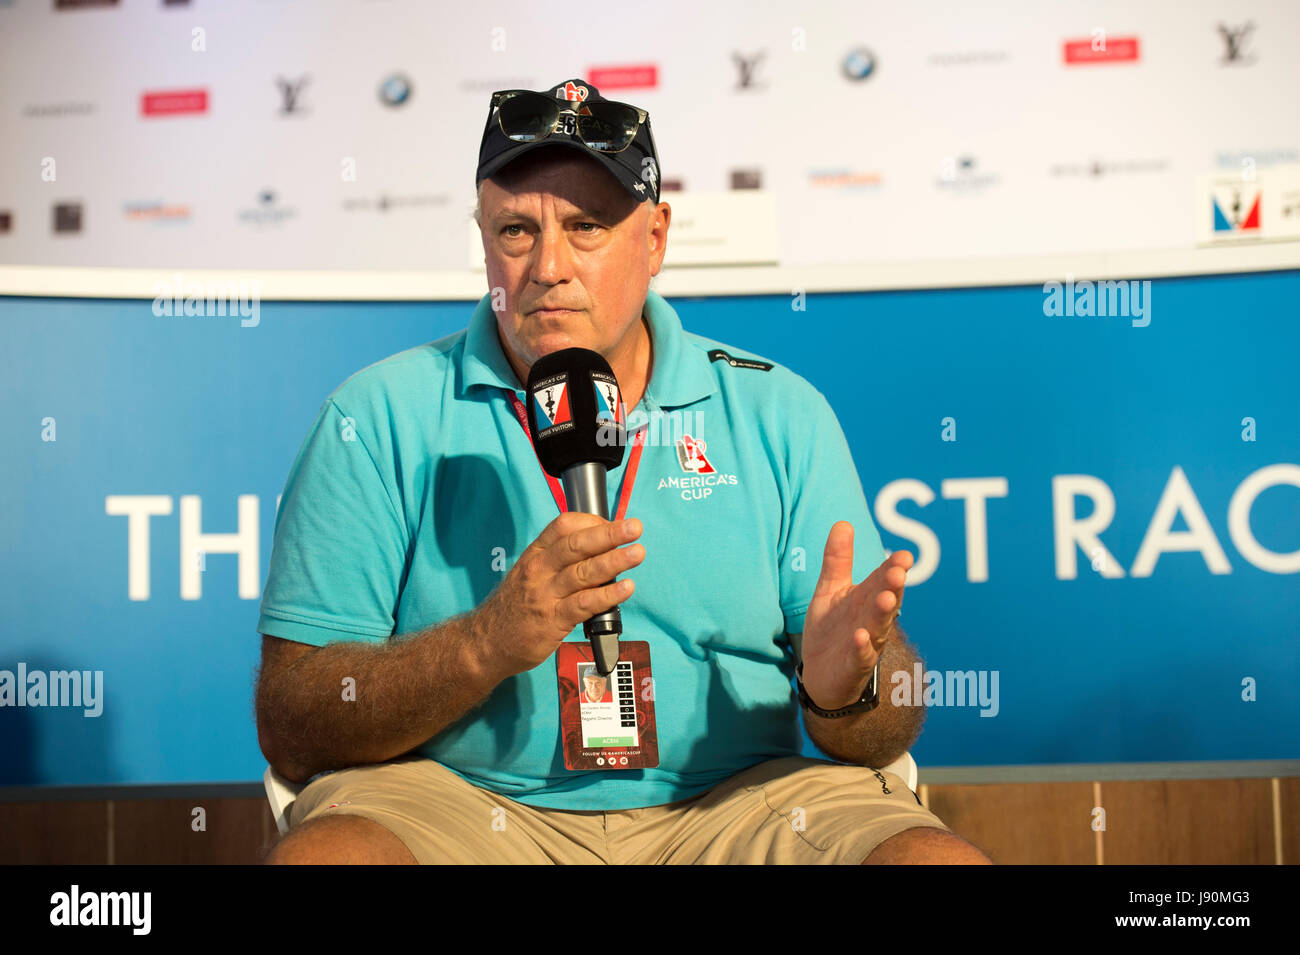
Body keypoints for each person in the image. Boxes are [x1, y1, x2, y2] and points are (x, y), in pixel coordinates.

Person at [255, 78, 990, 865]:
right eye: (514, 230)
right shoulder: (377, 415)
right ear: (481, 238)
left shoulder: (780, 411)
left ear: (656, 237)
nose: (547, 266)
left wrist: (849, 688)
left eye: (587, 226)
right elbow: (294, 723)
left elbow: (880, 728)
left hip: (736, 801)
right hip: (460, 806)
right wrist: (484, 643)